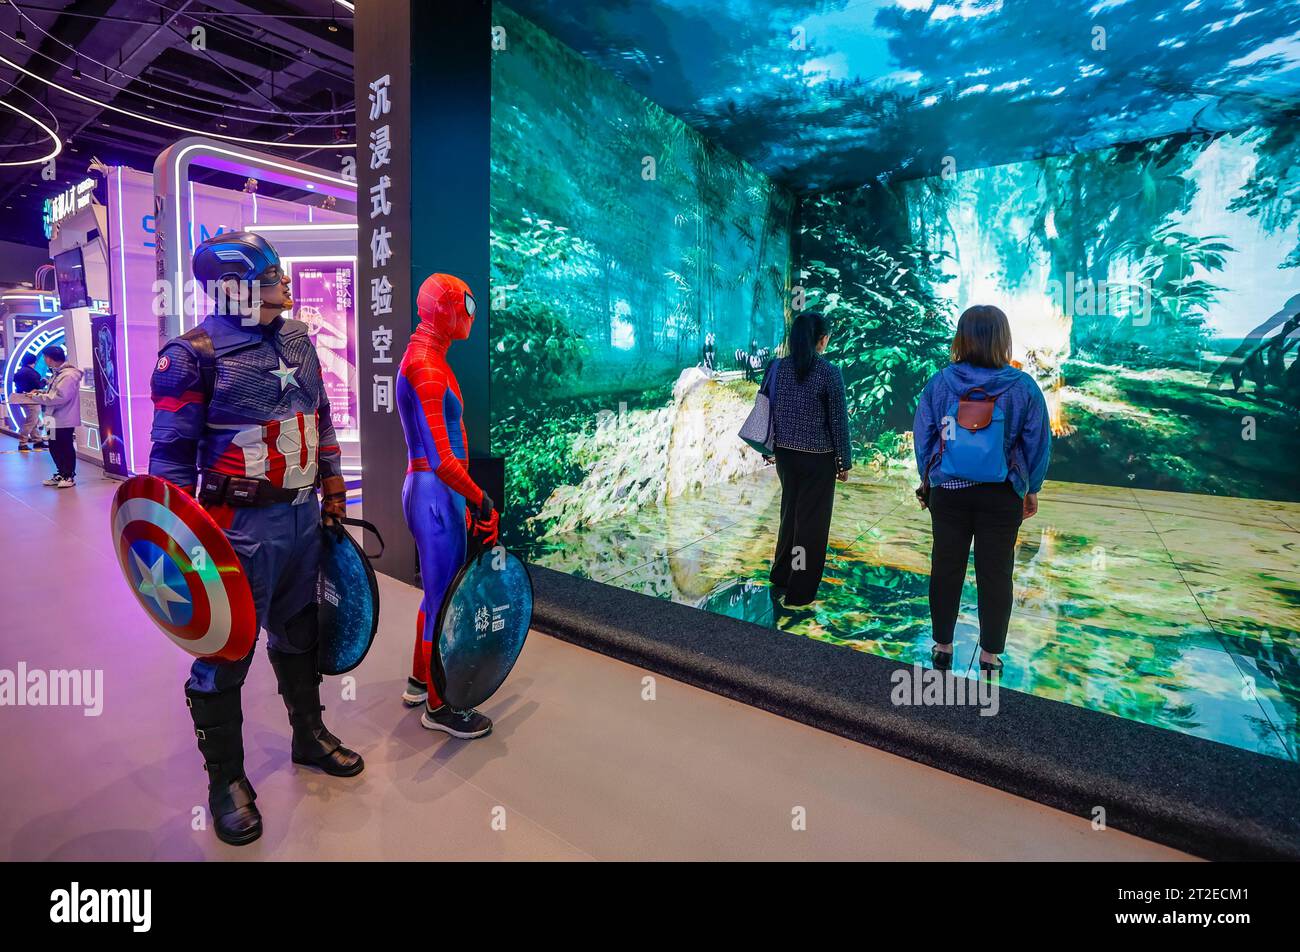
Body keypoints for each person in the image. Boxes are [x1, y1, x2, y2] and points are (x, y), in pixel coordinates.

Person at [149, 231, 362, 846]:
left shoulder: (296, 338)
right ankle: (228, 783)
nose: (285, 287)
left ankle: (308, 734)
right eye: (271, 279)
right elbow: (168, 460)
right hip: (236, 531)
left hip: (298, 518)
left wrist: (334, 489)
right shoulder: (191, 356)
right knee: (226, 651)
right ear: (235, 287)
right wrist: (182, 544)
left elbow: (319, 418)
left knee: (301, 632)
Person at [913, 305, 1051, 674]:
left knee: (945, 568)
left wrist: (928, 479)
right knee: (995, 573)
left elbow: (924, 434)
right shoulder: (1023, 387)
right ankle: (990, 655)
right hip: (1001, 495)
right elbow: (1037, 441)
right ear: (1003, 339)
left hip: (950, 492)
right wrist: (1031, 487)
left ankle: (943, 646)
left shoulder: (940, 383)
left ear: (962, 338)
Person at [396, 273, 499, 738]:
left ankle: (421, 680)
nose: (472, 315)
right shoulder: (429, 367)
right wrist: (481, 499)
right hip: (437, 494)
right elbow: (443, 460)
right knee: (444, 600)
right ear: (448, 309)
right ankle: (440, 707)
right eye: (468, 305)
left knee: (435, 593)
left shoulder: (425, 358)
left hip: (428, 492)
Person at [764, 310, 852, 608]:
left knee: (789, 515)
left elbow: (769, 409)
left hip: (785, 456)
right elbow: (838, 422)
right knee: (810, 526)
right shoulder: (828, 372)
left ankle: (781, 574)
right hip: (817, 459)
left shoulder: (778, 368)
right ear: (821, 340)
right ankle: (799, 589)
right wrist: (843, 462)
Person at [24, 346, 82, 488]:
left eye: (45, 357)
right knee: (54, 447)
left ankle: (69, 476)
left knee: (65, 446)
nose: (44, 360)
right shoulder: (58, 373)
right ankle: (61, 473)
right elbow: (53, 392)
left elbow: (60, 397)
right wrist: (41, 392)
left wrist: (37, 397)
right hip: (52, 418)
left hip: (63, 418)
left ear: (50, 358)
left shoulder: (68, 375)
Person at [11, 353, 45, 451]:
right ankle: (22, 443)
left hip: (21, 398)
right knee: (31, 422)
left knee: (33, 420)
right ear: (34, 362)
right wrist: (44, 381)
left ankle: (37, 441)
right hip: (32, 399)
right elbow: (38, 386)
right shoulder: (32, 373)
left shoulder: (19, 372)